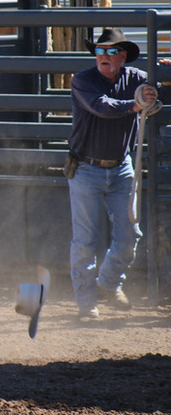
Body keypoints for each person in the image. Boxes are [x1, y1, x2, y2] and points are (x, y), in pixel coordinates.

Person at [67, 28, 168, 320]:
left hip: (122, 166)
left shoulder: (136, 79)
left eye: (111, 51)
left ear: (122, 56)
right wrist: (138, 104)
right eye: (100, 51)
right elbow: (101, 106)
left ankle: (107, 284)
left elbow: (159, 96)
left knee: (129, 234)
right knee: (85, 239)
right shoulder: (83, 80)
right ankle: (87, 303)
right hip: (86, 167)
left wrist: (159, 88)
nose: (104, 57)